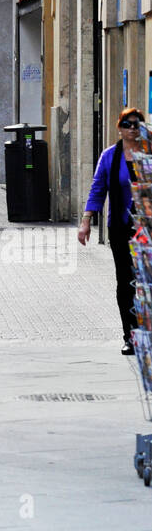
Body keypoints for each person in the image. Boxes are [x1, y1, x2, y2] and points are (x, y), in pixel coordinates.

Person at [79, 107, 145, 355]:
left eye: (137, 124)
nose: (132, 128)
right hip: (121, 228)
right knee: (126, 282)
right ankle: (130, 335)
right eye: (127, 124)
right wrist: (86, 221)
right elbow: (98, 189)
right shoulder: (109, 156)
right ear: (119, 127)